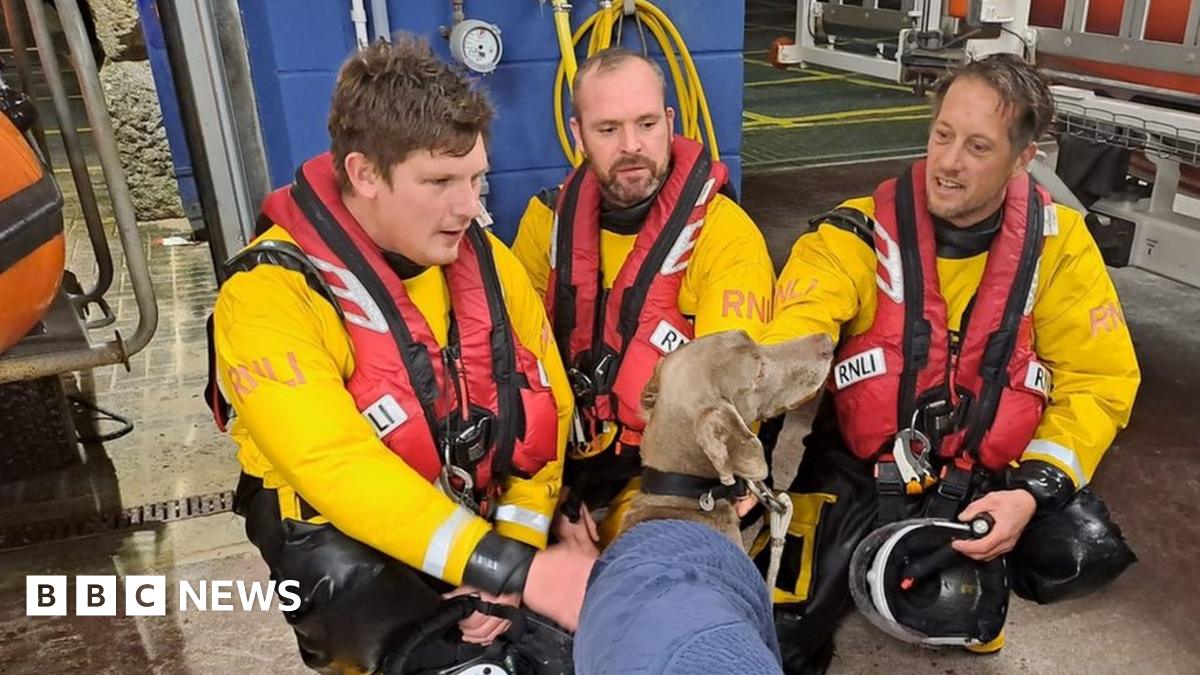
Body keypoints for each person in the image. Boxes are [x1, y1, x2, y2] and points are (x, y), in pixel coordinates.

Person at [206, 37, 593, 675]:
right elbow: (333, 464)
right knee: (340, 576)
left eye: (476, 179)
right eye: (440, 181)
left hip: (483, 529)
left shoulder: (489, 264)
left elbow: (546, 403)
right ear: (364, 174)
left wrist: (513, 549)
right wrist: (504, 565)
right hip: (363, 558)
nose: (470, 206)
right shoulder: (267, 295)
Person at [760, 54, 1140, 673]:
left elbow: (1099, 381)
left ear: (1023, 160)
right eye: (943, 135)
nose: (949, 162)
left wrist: (1031, 491)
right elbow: (786, 341)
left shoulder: (1059, 245)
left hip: (987, 477)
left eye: (978, 147)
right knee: (777, 627)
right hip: (860, 468)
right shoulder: (852, 236)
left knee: (1073, 552)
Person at [512, 47, 776, 547]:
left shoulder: (724, 235)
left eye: (647, 124)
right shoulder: (544, 222)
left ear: (669, 122)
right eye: (608, 129)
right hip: (566, 456)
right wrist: (552, 498)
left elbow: (729, 390)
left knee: (637, 564)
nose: (631, 145)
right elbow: (514, 363)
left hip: (671, 465)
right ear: (578, 133)